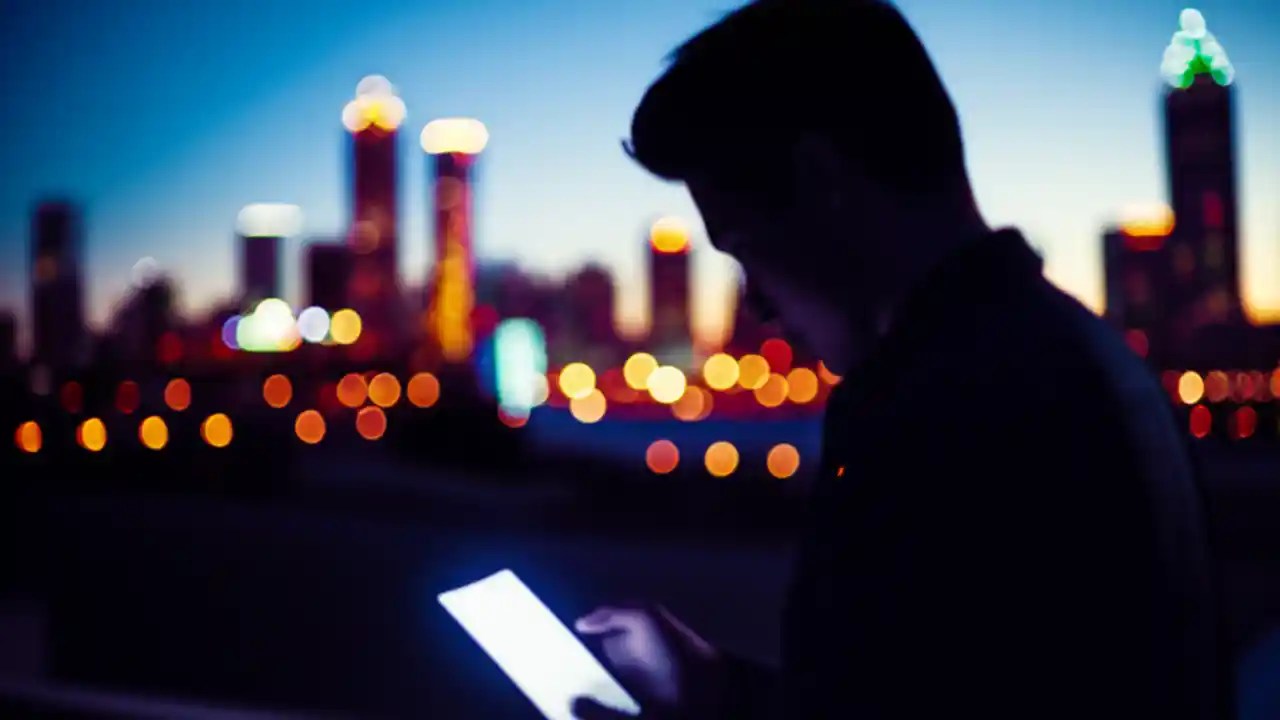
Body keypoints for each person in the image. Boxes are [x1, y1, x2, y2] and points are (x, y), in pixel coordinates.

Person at [571, 1, 1232, 718]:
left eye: (741, 246)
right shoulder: (1069, 355)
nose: (754, 300)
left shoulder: (950, 414)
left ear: (823, 181)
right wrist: (718, 688)